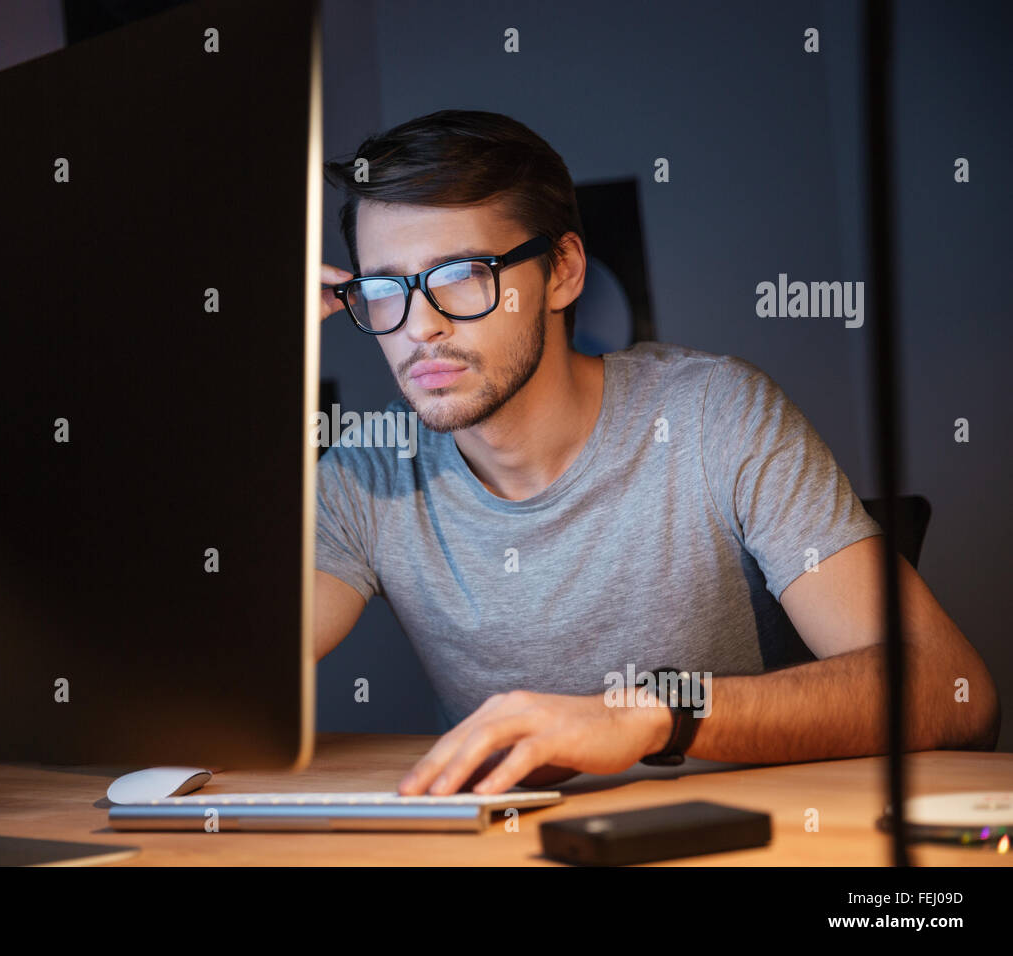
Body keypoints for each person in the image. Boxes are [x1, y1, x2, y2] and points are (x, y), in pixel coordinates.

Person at [313, 109, 999, 796]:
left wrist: (653, 714)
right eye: (382, 289)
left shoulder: (714, 413)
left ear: (563, 272)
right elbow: (220, 679)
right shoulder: (366, 471)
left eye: (459, 275)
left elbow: (955, 691)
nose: (419, 327)